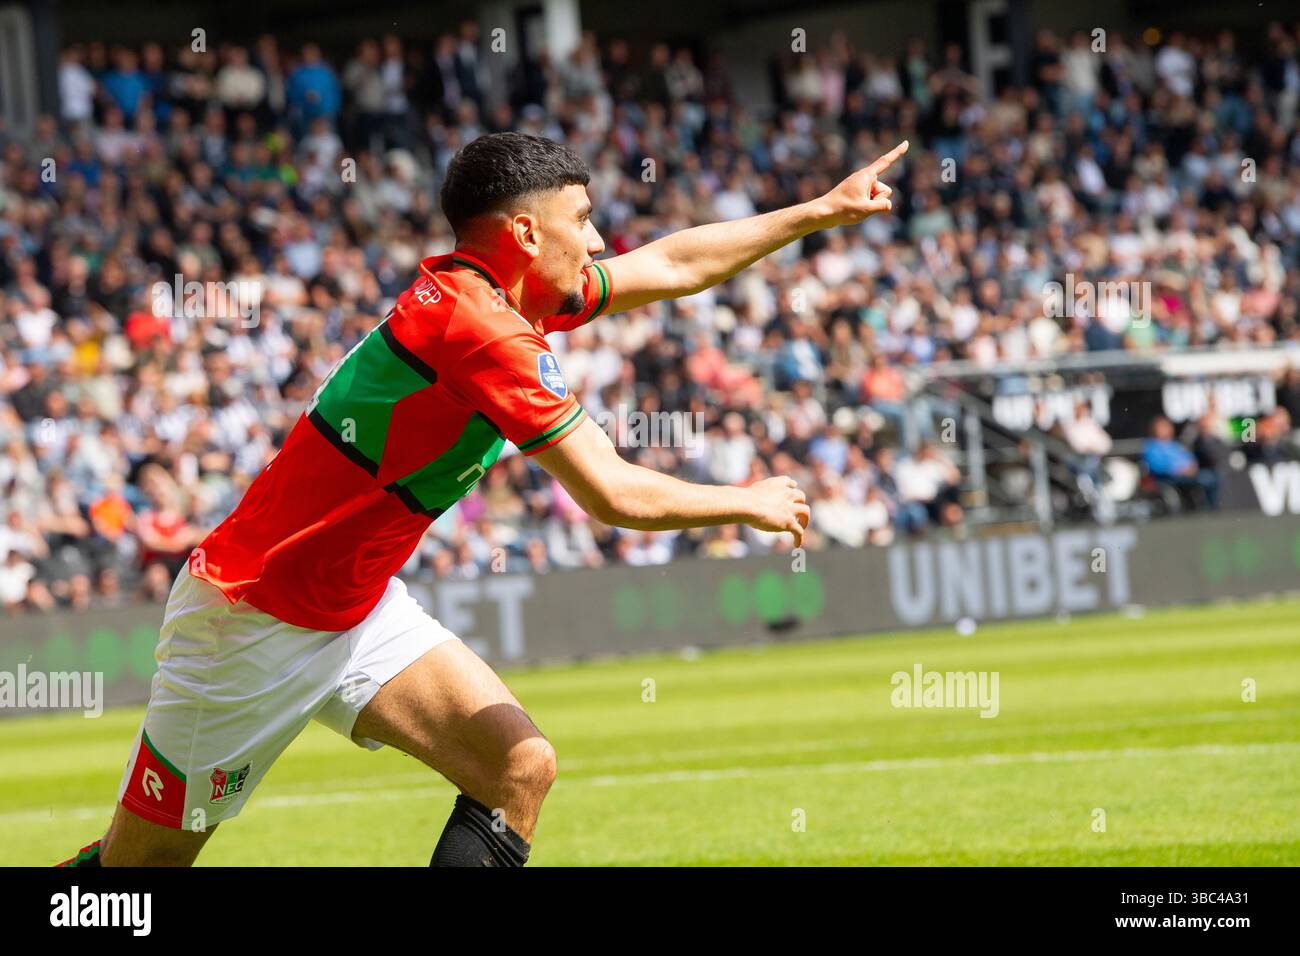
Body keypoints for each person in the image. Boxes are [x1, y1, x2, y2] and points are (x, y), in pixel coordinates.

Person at [59, 131, 907, 867]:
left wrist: (815, 212)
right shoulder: (481, 327)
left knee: (519, 769)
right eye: (583, 221)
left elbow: (673, 263)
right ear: (526, 231)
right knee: (137, 873)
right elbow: (612, 493)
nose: (599, 239)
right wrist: (745, 500)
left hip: (352, 609)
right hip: (252, 619)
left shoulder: (498, 293)